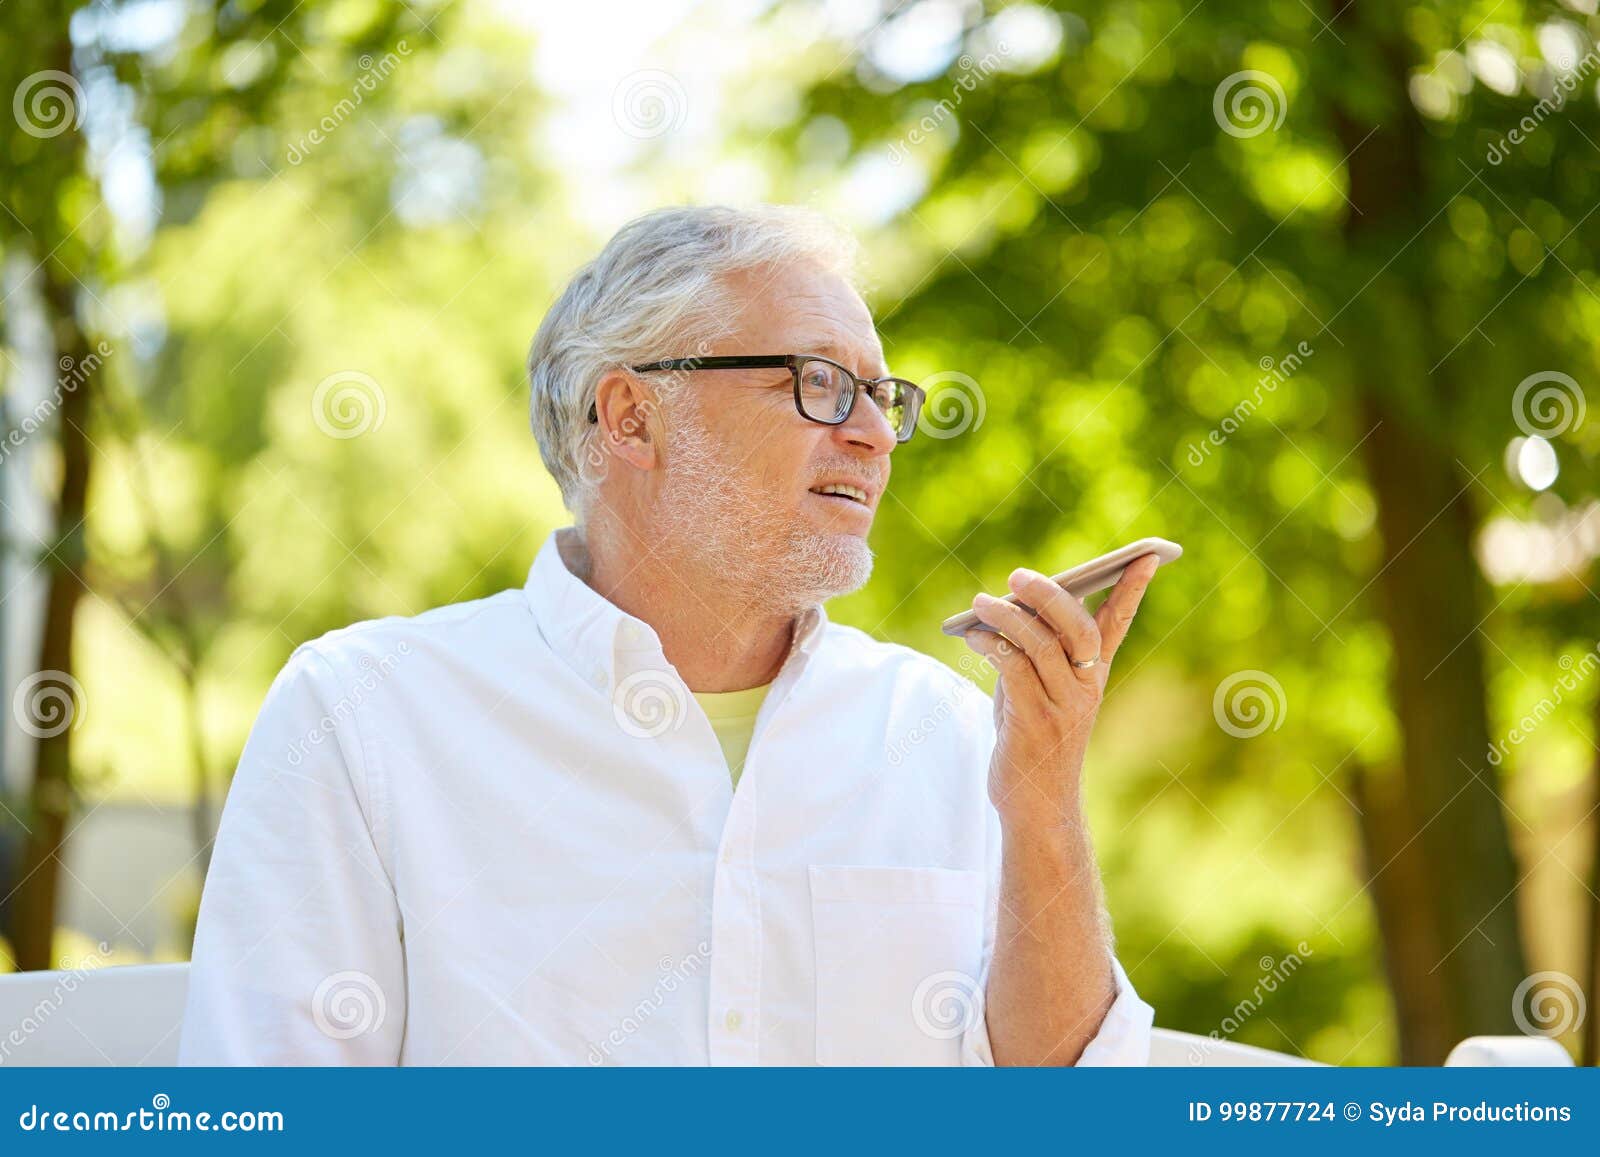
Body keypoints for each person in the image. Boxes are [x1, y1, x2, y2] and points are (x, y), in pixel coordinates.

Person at [179, 204, 1160, 1065]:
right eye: (822, 382)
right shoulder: (361, 715)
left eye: (882, 394)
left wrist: (1042, 805)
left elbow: (1065, 1108)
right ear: (631, 417)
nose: (875, 433)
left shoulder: (947, 729)